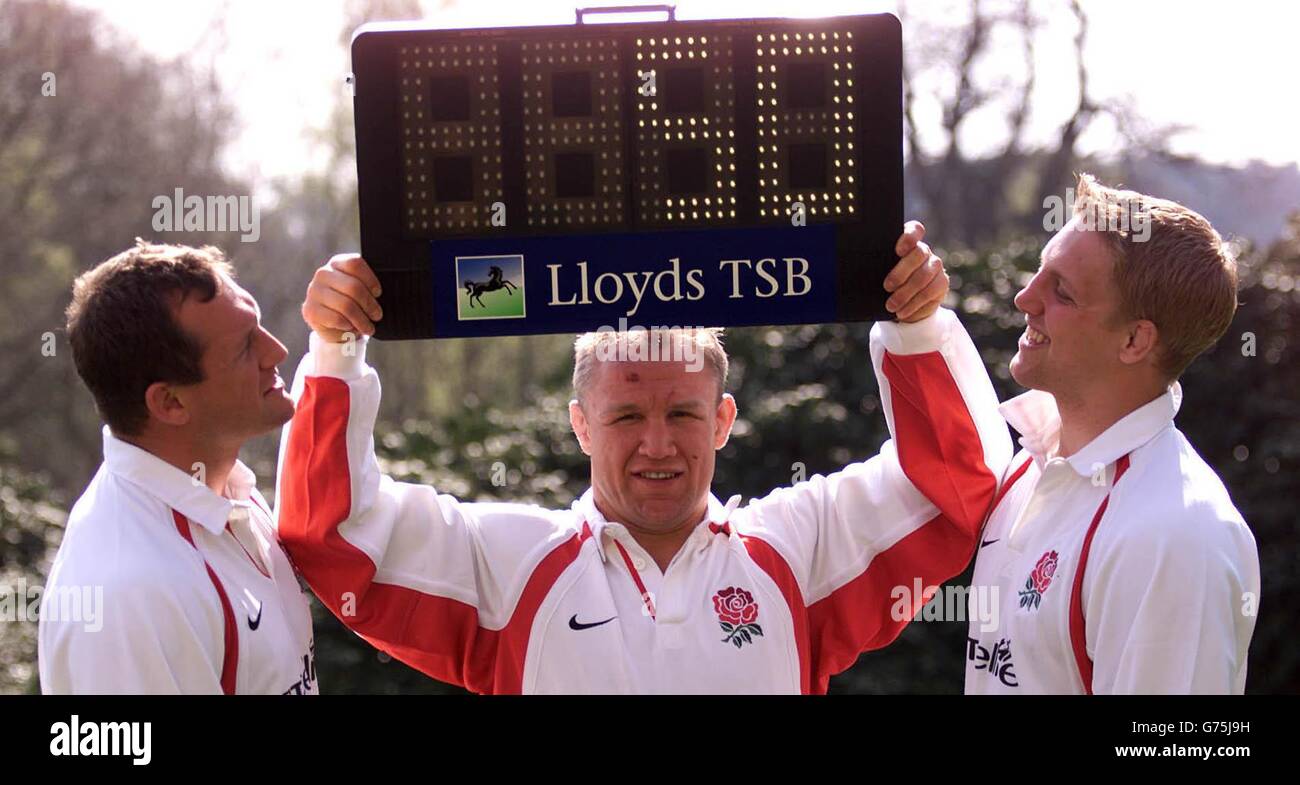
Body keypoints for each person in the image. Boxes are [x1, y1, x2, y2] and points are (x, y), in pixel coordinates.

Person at [276, 222, 1012, 693]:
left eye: (683, 413)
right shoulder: (506, 561)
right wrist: (337, 349)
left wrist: (917, 327)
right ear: (581, 425)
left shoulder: (798, 548)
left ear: (723, 419)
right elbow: (332, 534)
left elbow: (955, 487)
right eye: (626, 414)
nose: (656, 443)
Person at [965, 175, 1261, 694]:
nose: (1023, 298)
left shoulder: (1176, 536)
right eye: (1039, 273)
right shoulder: (1026, 465)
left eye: (1062, 292)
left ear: (1134, 340)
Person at [40, 240, 318, 694]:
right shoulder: (128, 597)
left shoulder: (230, 492)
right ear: (170, 402)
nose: (277, 351)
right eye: (245, 347)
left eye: (259, 325)